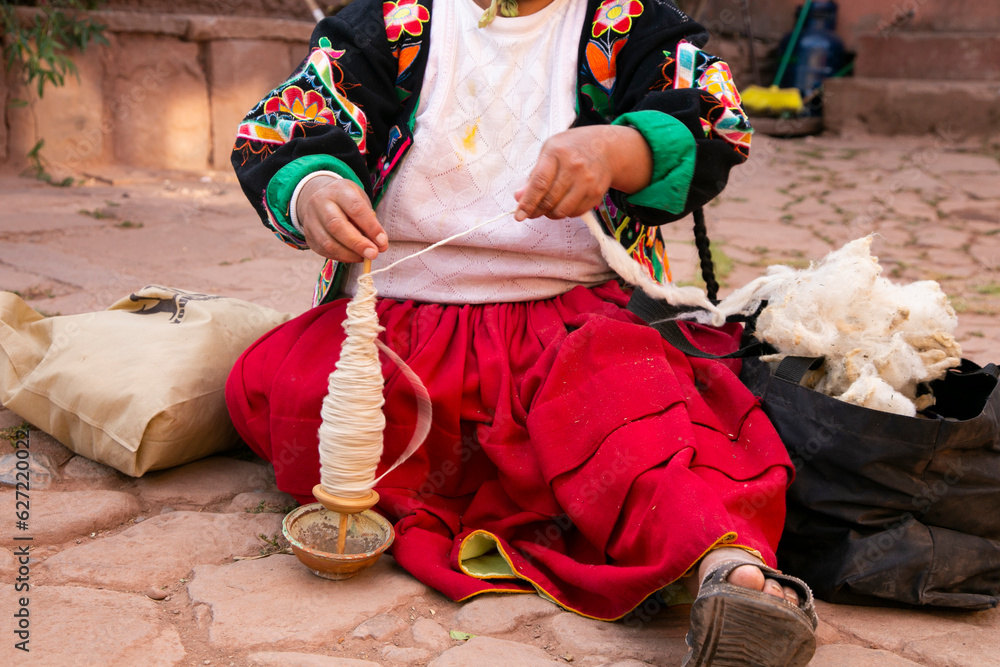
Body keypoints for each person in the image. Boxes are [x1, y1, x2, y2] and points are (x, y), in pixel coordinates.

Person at [227, 0, 818, 663]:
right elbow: (289, 125)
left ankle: (725, 568)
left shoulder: (630, 23)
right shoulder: (387, 24)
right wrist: (312, 189)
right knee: (288, 388)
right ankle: (542, 482)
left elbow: (714, 118)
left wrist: (618, 149)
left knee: (636, 415)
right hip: (397, 330)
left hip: (574, 326)